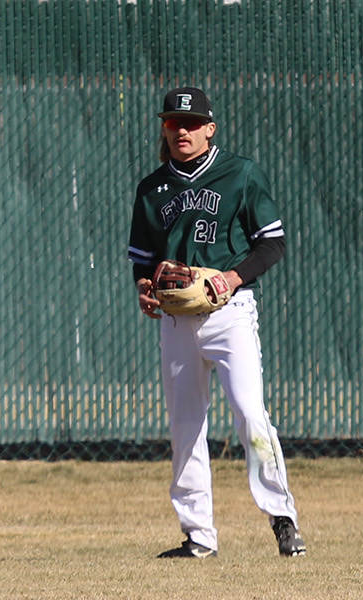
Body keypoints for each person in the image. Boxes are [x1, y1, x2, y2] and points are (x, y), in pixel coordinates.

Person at [126, 86, 305, 558]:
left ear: (210, 128)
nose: (180, 131)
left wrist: (232, 277)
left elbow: (272, 243)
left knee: (250, 413)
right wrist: (144, 287)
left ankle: (283, 517)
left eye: (190, 123)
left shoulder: (240, 174)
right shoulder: (152, 189)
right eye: (172, 122)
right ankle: (199, 536)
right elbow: (144, 260)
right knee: (185, 426)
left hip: (230, 313)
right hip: (176, 321)